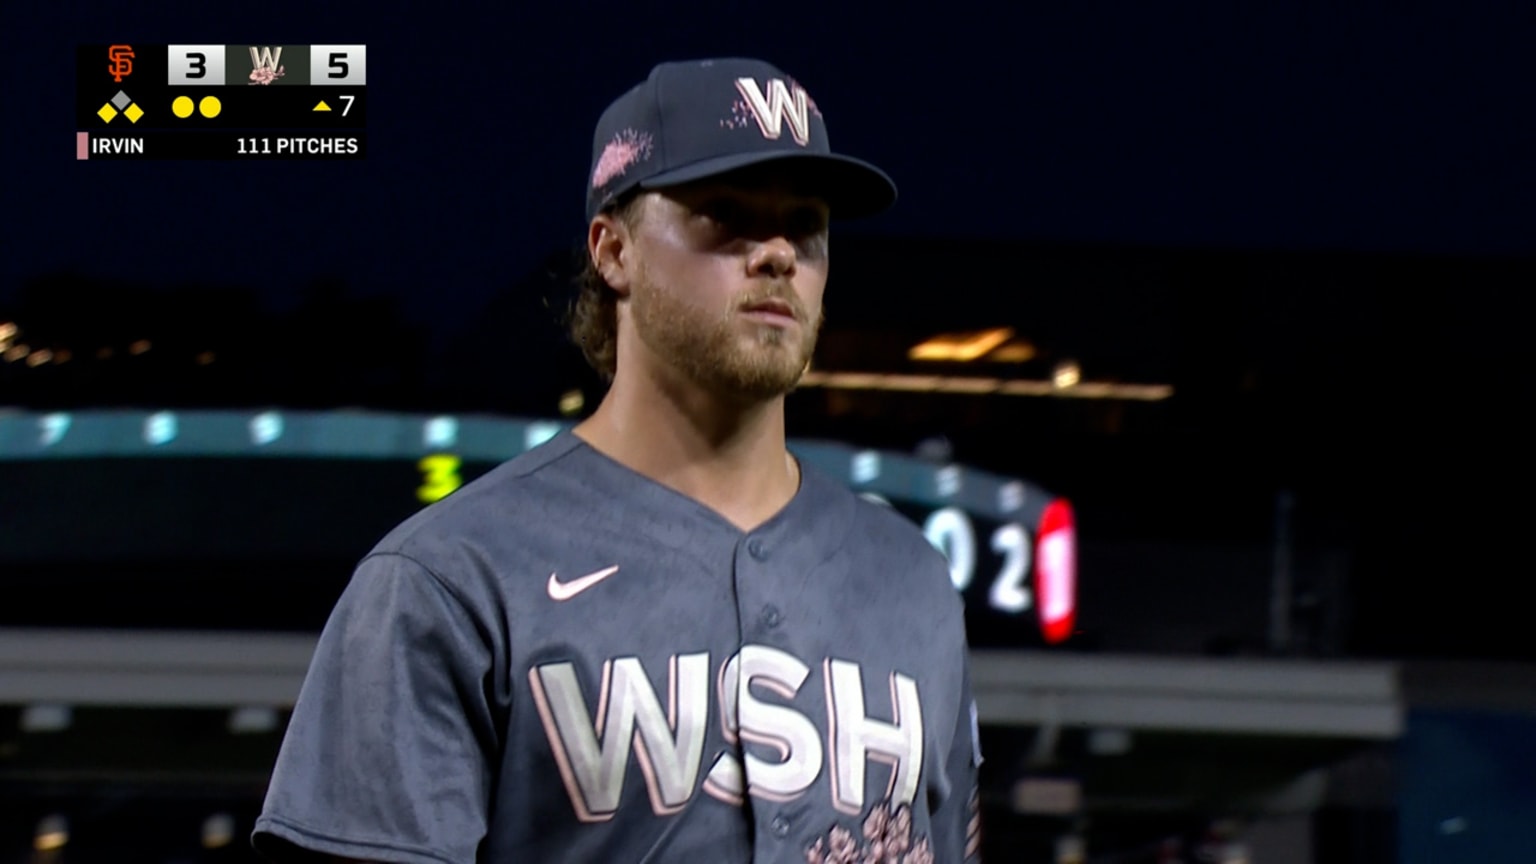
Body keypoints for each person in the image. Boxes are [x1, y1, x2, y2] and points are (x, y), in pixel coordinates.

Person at [252, 57, 981, 863]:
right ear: (613, 250)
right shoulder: (450, 581)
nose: (777, 252)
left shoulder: (913, 583)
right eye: (726, 215)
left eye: (804, 222)